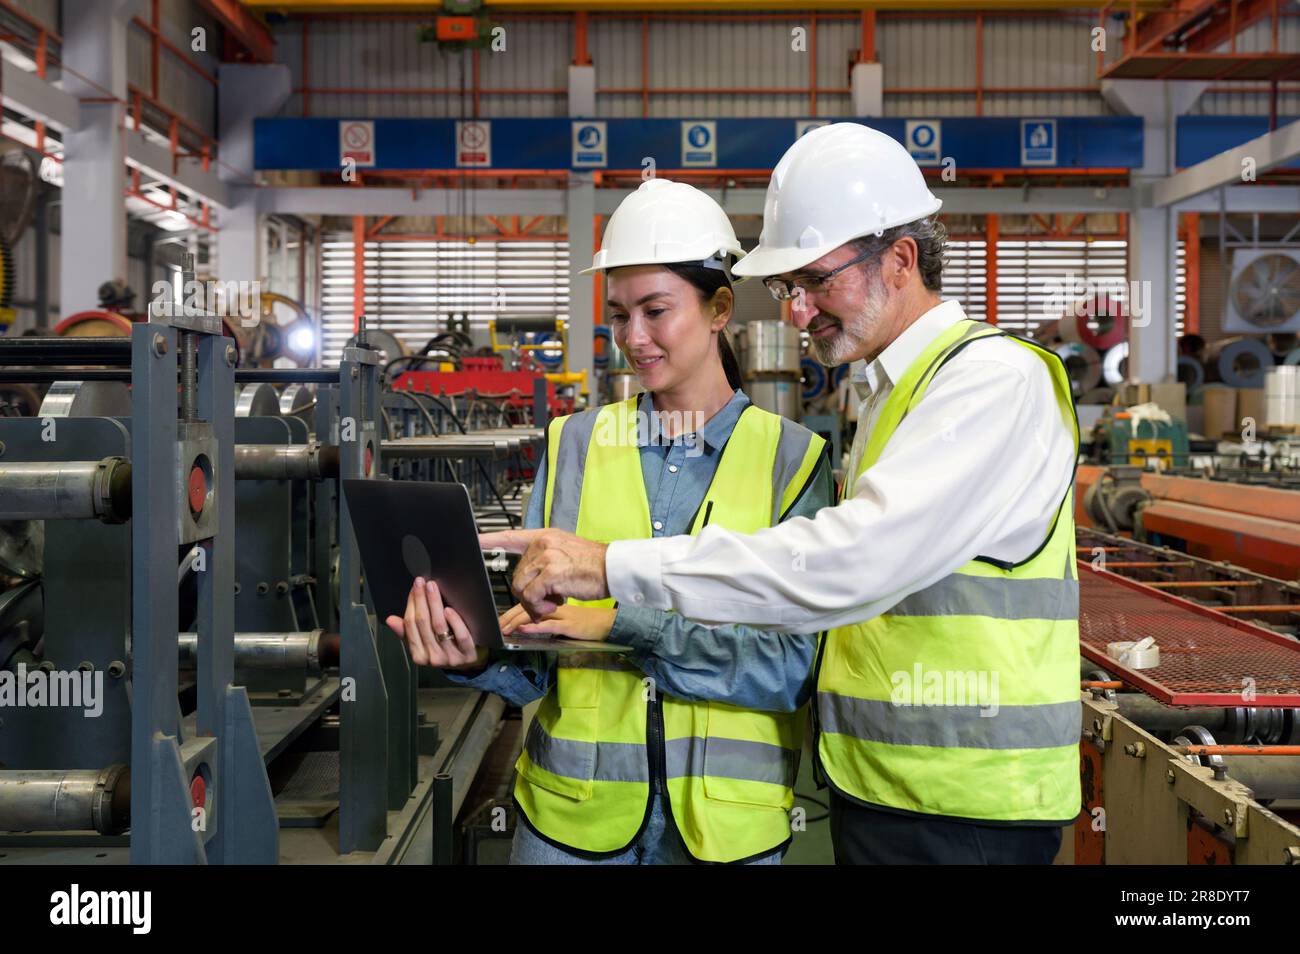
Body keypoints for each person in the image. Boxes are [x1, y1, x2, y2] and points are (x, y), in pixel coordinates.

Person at [482, 123, 1083, 866]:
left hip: (967, 800)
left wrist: (612, 575)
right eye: (788, 289)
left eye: (816, 282)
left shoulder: (990, 382)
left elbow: (845, 567)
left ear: (900, 259)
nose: (797, 313)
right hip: (885, 790)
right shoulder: (890, 397)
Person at [387, 177, 834, 865]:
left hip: (727, 833)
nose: (633, 337)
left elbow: (791, 670)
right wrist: (476, 655)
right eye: (620, 315)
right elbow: (540, 661)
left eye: (656, 311)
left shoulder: (793, 463)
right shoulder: (572, 446)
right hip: (571, 825)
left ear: (720, 308)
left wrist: (626, 623)